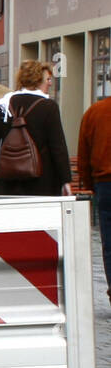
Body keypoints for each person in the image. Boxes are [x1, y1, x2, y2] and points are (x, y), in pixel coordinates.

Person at [0, 60, 73, 198]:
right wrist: (65, 181)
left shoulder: (3, 105)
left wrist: (4, 166)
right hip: (42, 184)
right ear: (37, 80)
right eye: (48, 79)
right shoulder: (48, 106)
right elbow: (58, 147)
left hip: (7, 185)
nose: (50, 83)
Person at [77, 92, 111, 304]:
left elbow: (83, 154)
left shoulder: (94, 113)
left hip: (104, 184)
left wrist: (90, 184)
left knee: (109, 241)